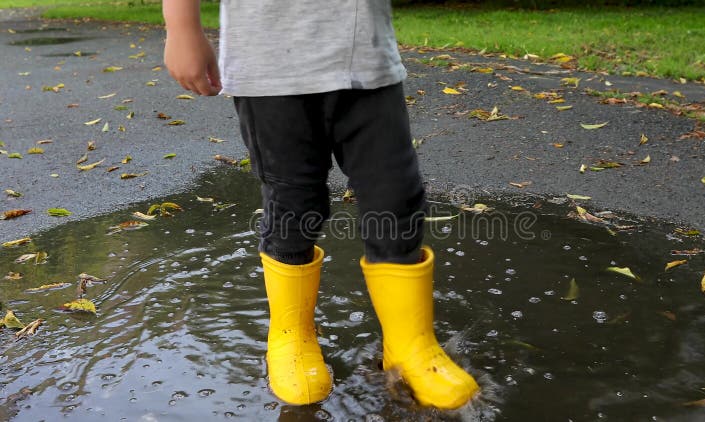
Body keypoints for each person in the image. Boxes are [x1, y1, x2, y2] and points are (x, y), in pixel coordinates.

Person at [162, 0, 479, 409]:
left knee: (396, 196)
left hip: (365, 57)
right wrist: (182, 26)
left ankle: (410, 344)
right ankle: (291, 335)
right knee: (295, 201)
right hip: (269, 67)